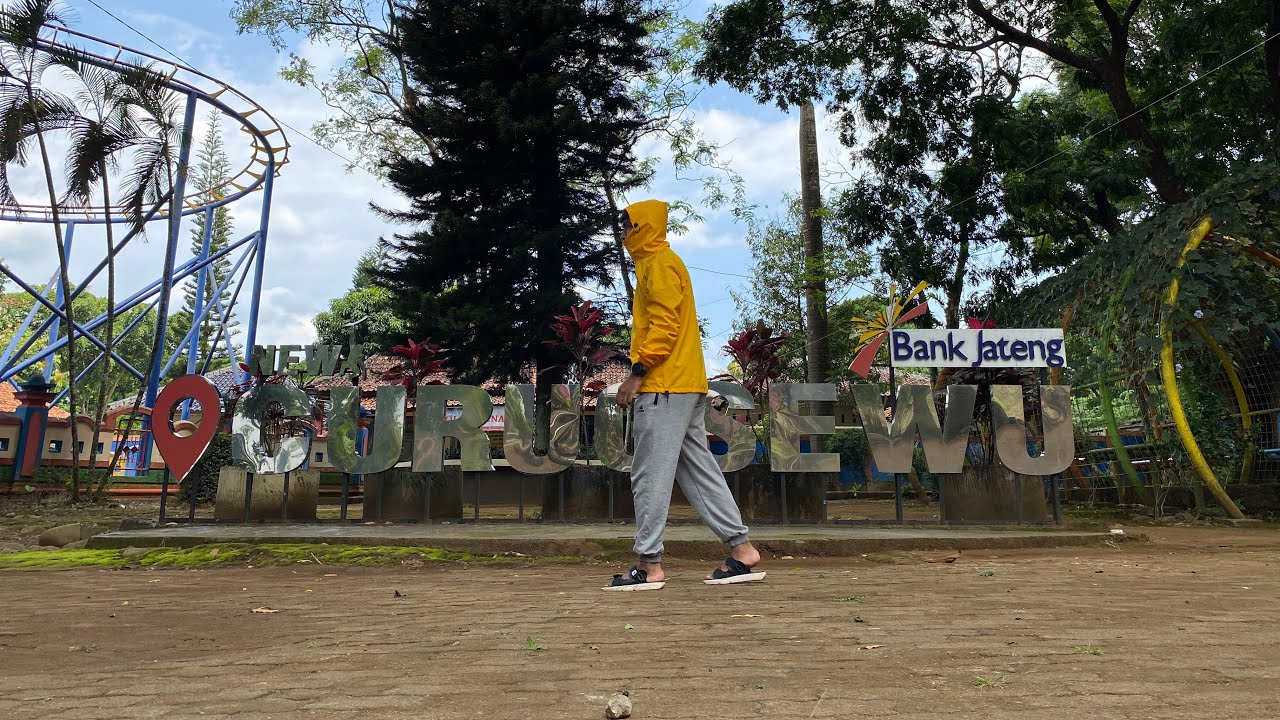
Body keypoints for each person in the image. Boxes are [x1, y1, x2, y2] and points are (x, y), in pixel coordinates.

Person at [604, 199, 765, 591]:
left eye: (626, 226)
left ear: (642, 228)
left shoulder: (658, 264)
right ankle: (742, 550)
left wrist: (637, 374)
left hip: (664, 386)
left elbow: (664, 326)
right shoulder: (660, 262)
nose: (621, 234)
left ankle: (649, 564)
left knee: (649, 474)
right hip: (684, 385)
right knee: (698, 470)